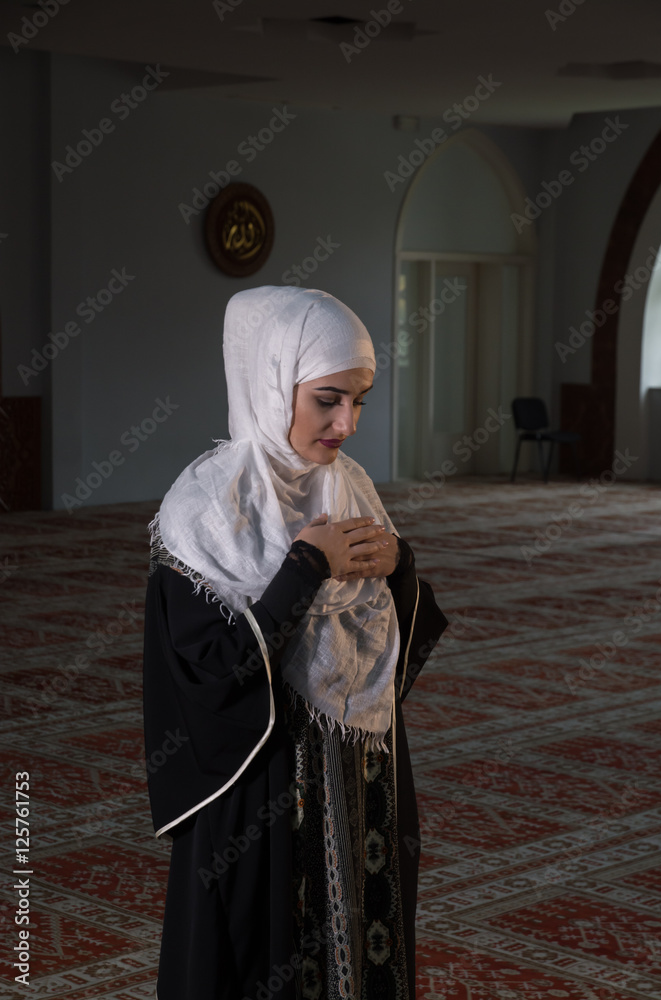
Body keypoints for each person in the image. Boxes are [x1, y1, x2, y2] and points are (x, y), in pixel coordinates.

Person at [142, 285, 448, 1000]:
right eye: (328, 400)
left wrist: (400, 566)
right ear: (273, 381)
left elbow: (390, 645)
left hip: (359, 780)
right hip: (263, 793)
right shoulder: (206, 510)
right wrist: (304, 569)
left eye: (360, 401)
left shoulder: (349, 487)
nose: (347, 423)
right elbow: (212, 675)